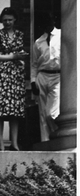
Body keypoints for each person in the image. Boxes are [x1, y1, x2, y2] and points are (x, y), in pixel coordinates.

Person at [0, 7, 28, 151]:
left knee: (15, 110)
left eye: (10, 20)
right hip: (1, 74)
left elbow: (19, 53)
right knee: (0, 109)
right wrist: (12, 57)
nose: (7, 22)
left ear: (15, 20)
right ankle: (0, 143)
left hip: (15, 74)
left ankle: (14, 142)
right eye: (5, 20)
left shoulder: (19, 35)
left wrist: (20, 57)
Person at [30, 11, 61, 143]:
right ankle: (46, 142)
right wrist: (32, 82)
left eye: (49, 21)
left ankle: (57, 138)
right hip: (42, 76)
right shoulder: (38, 42)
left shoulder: (62, 35)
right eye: (44, 22)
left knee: (51, 113)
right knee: (42, 113)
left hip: (57, 77)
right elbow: (34, 64)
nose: (47, 24)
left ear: (54, 20)